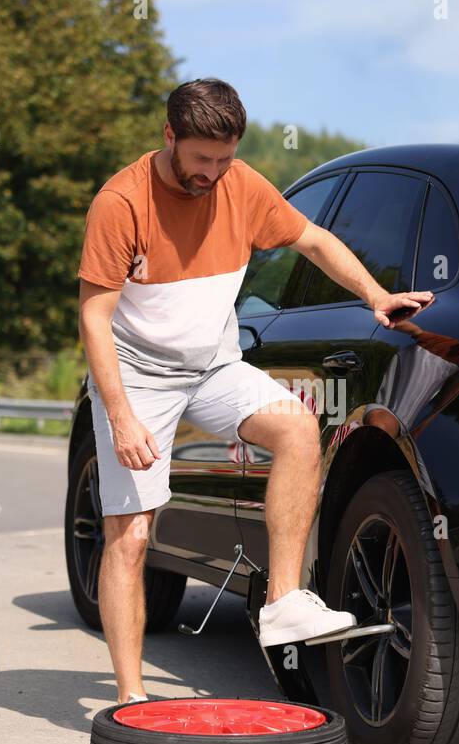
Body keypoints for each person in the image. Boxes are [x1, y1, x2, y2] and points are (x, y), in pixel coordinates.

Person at [77, 78, 434, 704]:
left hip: (213, 366)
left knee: (299, 428)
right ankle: (131, 697)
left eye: (224, 159)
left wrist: (376, 295)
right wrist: (121, 415)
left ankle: (283, 604)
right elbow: (94, 317)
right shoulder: (122, 202)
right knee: (131, 536)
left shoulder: (240, 186)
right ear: (169, 138)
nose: (212, 174)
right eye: (200, 161)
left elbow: (314, 241)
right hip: (137, 374)